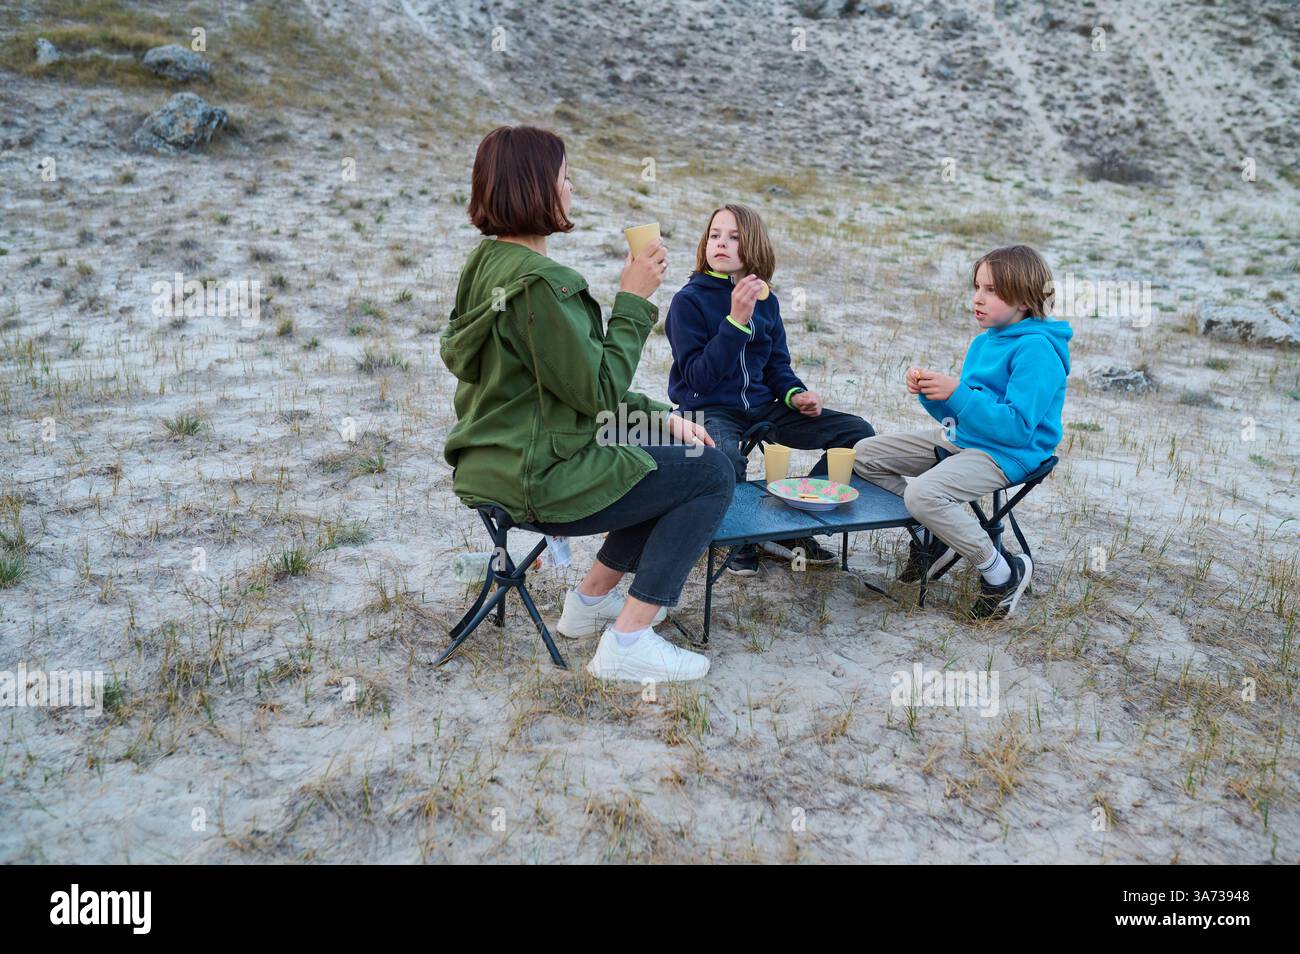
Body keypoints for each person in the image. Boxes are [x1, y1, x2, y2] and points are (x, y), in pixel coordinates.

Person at [441, 125, 733, 681]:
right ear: (534, 187)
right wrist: (633, 301)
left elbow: (568, 387)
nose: (571, 187)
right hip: (541, 476)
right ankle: (628, 642)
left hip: (496, 459)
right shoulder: (543, 287)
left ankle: (589, 602)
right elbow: (596, 392)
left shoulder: (485, 267)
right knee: (711, 473)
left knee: (668, 450)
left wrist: (660, 419)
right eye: (564, 176)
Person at [852, 245, 1072, 619]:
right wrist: (933, 395)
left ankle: (1002, 572)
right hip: (964, 438)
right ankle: (932, 534)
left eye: (992, 290)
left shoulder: (1037, 350)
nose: (978, 298)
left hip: (1008, 453)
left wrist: (958, 395)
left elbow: (1017, 427)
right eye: (977, 287)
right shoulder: (984, 341)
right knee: (863, 454)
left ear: (1024, 298)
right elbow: (958, 413)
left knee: (924, 492)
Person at [664, 203, 875, 575]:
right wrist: (734, 322)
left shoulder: (768, 301)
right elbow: (697, 378)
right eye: (714, 235)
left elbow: (777, 365)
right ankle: (739, 537)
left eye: (733, 237)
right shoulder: (688, 301)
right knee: (725, 456)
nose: (721, 243)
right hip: (707, 409)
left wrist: (796, 394)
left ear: (754, 246)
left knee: (856, 433)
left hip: (762, 408)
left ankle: (792, 523)